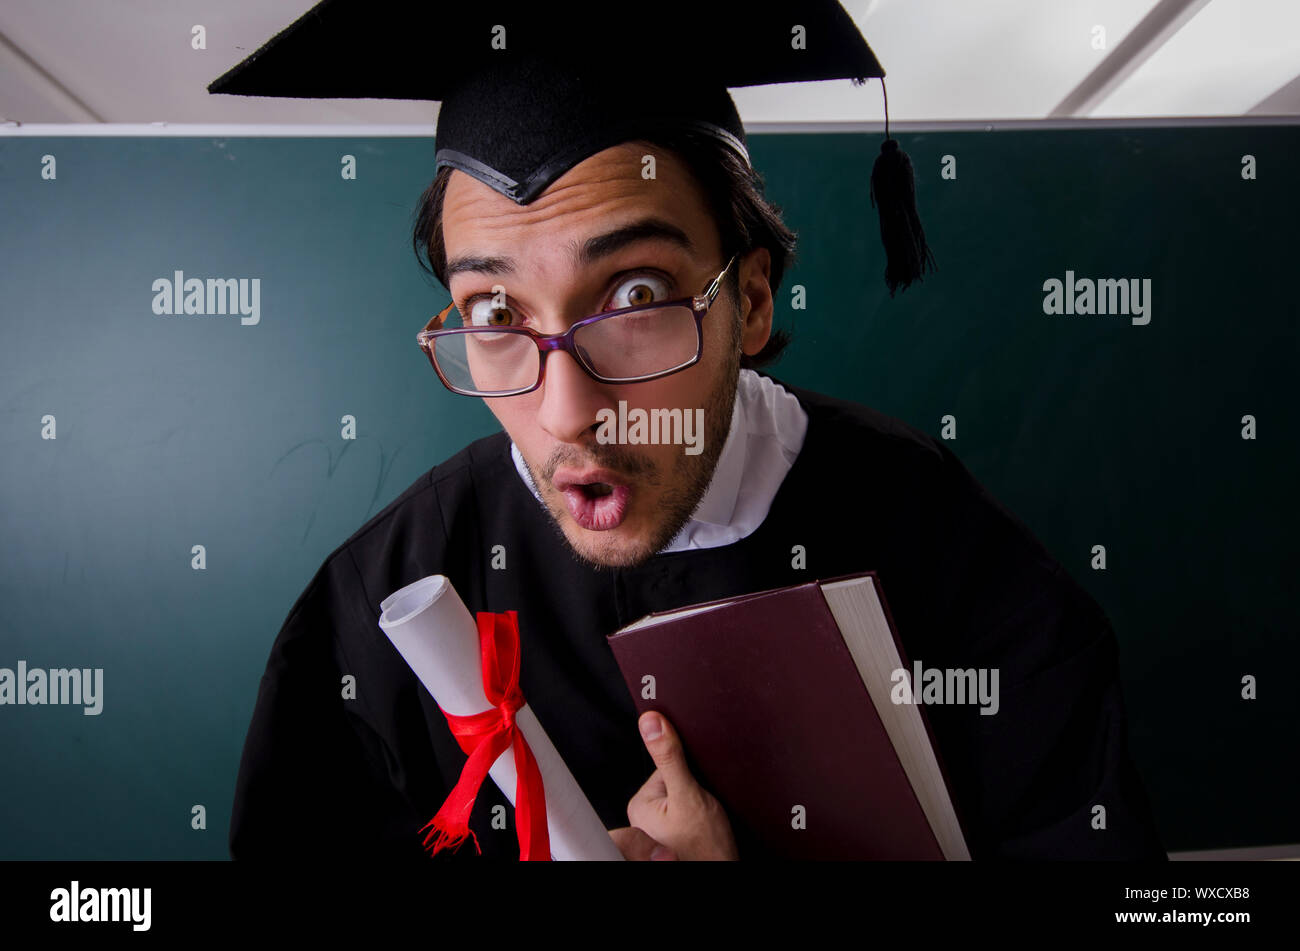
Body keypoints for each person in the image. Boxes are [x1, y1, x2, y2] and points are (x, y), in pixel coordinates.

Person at [213, 0, 1166, 861]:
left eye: (635, 295)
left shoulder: (949, 559)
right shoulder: (383, 601)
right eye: (496, 311)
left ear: (748, 301)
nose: (566, 411)